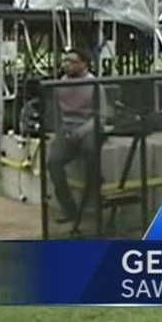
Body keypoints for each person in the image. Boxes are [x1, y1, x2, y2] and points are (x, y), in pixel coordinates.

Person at [48, 48, 108, 228]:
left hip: (89, 128)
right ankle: (70, 210)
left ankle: (95, 191)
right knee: (53, 162)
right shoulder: (60, 85)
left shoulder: (95, 85)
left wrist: (81, 132)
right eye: (65, 61)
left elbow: (101, 117)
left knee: (90, 151)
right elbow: (57, 115)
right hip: (67, 130)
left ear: (84, 64)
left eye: (72, 61)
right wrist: (60, 133)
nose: (66, 65)